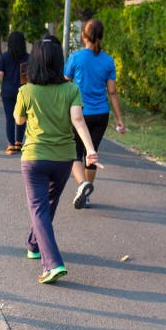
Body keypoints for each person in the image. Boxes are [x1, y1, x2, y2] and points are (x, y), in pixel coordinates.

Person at [13, 35, 100, 284]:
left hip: (34, 158)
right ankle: (33, 244)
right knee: (48, 204)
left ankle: (53, 264)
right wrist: (90, 149)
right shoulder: (71, 90)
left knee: (40, 208)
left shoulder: (26, 91)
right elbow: (78, 120)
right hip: (64, 158)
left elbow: (18, 120)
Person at [64, 19, 126, 209]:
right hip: (101, 114)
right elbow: (112, 92)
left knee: (75, 152)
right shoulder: (108, 60)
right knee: (92, 153)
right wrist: (119, 119)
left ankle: (82, 185)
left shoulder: (75, 58)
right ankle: (87, 192)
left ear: (83, 36)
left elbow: (65, 84)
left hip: (79, 113)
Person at [0, 31, 29, 155]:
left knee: (10, 118)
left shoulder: (5, 56)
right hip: (23, 91)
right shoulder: (28, 57)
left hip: (7, 91)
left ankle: (11, 145)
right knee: (22, 116)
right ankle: (18, 142)